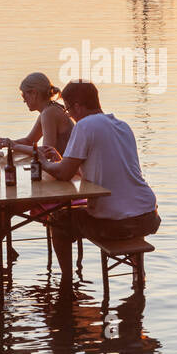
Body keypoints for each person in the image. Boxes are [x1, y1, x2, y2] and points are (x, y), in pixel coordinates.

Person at [37, 81, 159, 282]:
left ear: (77, 106)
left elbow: (65, 174)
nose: (69, 116)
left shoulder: (84, 126)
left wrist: (44, 163)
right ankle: (139, 274)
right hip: (147, 216)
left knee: (58, 221)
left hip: (115, 223)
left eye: (68, 110)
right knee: (128, 206)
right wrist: (62, 160)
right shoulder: (123, 126)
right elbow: (106, 168)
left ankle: (66, 282)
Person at [0, 72, 77, 256]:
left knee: (4, 209)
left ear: (34, 93)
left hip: (65, 185)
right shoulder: (49, 110)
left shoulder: (50, 113)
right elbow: (30, 141)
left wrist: (13, 145)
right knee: (2, 208)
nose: (23, 100)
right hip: (59, 178)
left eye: (24, 95)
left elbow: (46, 151)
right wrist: (7, 143)